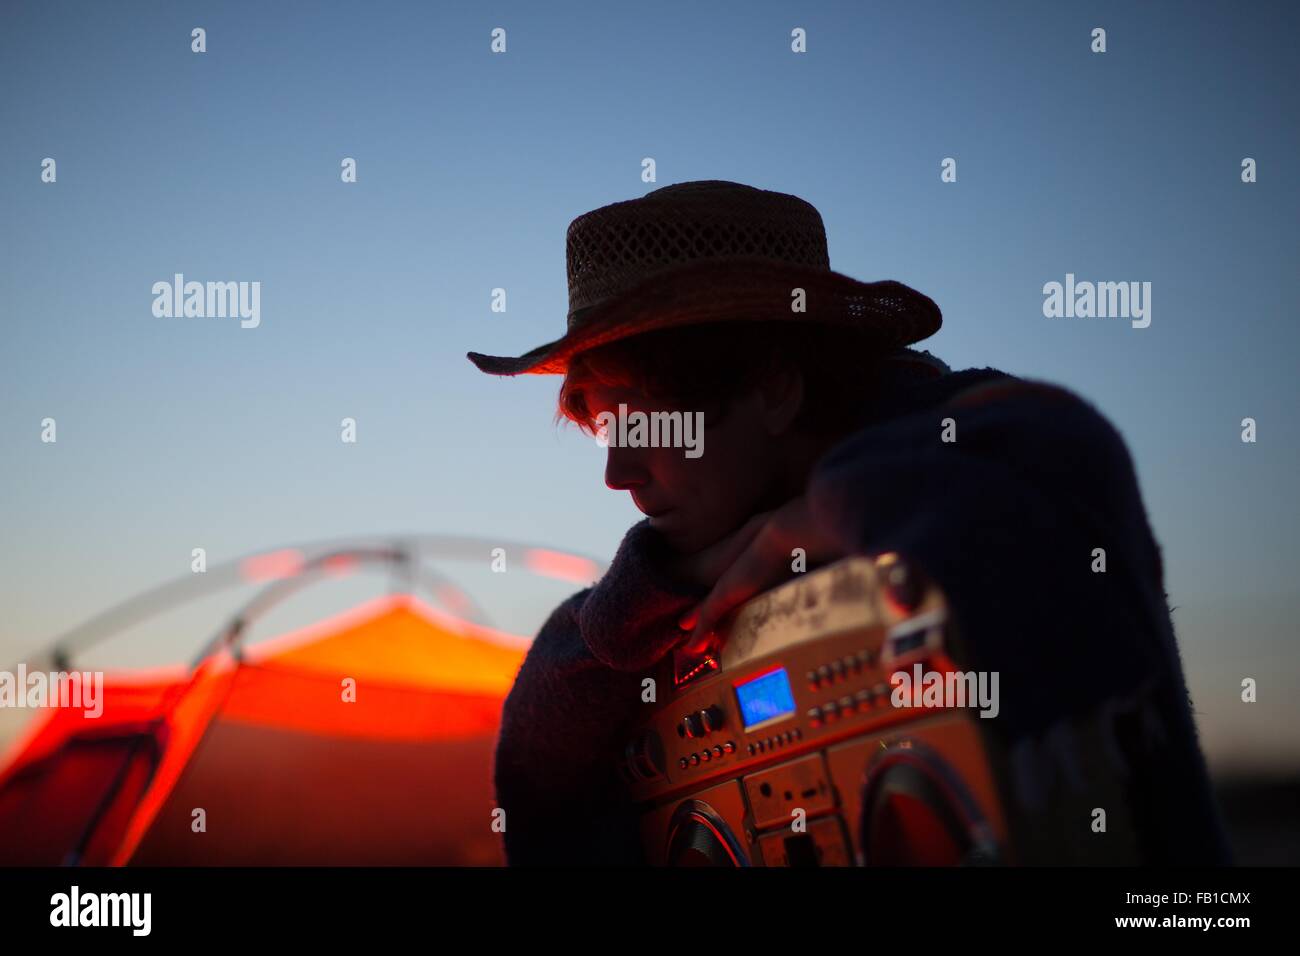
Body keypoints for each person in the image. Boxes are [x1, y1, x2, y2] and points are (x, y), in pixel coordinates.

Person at [467, 179, 1233, 866]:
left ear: (771, 389)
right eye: (606, 433)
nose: (618, 476)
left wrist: (823, 511)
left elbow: (1055, 450)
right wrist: (668, 575)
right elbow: (546, 741)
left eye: (642, 427)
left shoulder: (985, 445)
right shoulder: (717, 527)